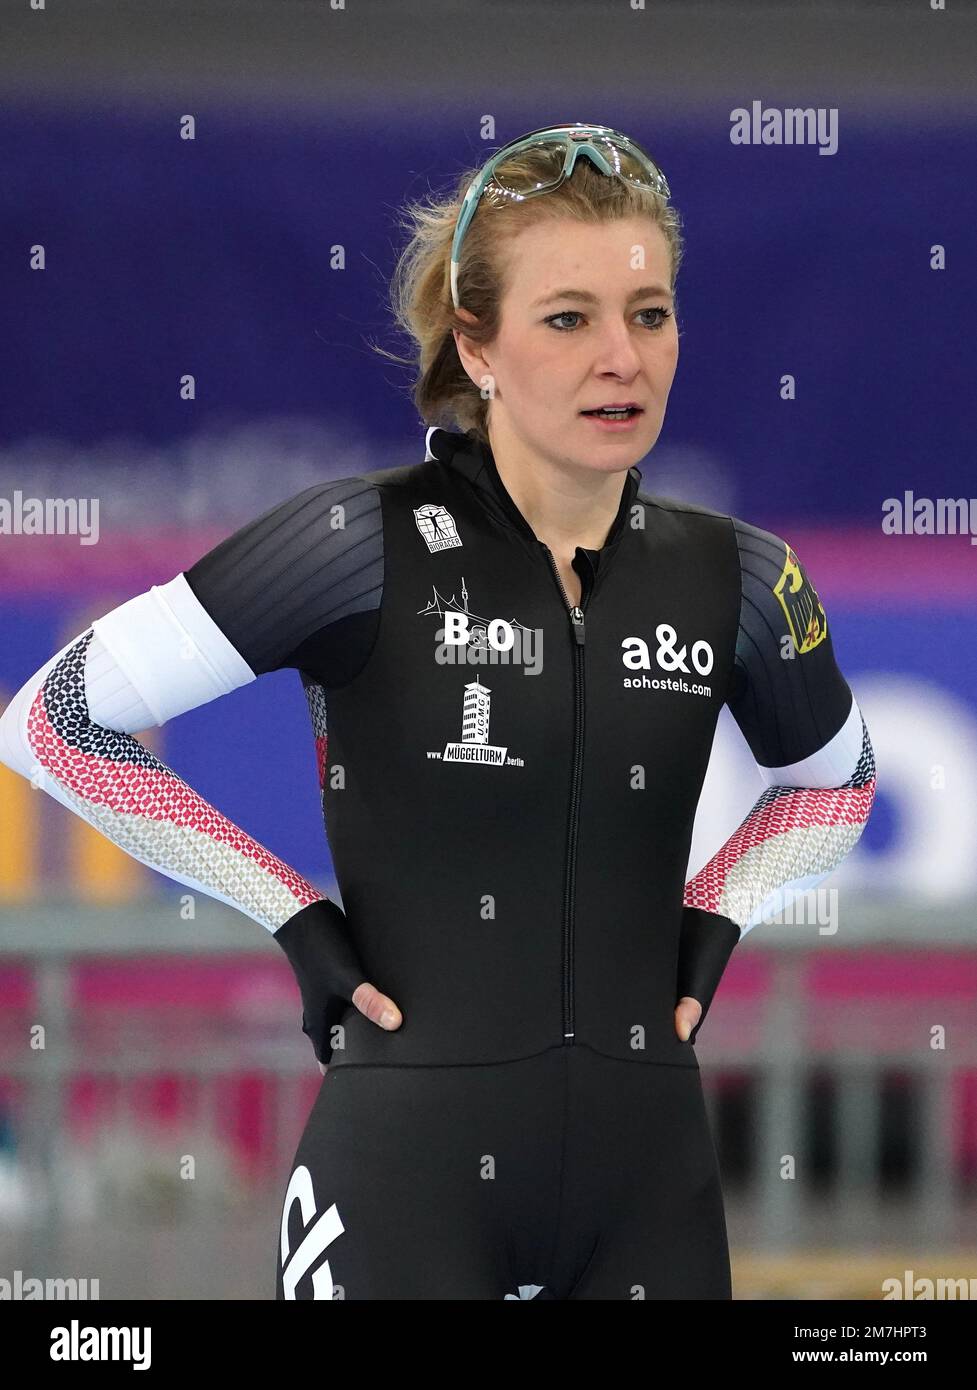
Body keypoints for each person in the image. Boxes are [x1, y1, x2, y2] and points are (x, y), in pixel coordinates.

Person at [0, 124, 876, 1300]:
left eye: (649, 313)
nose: (620, 357)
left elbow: (840, 779)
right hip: (405, 1179)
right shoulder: (351, 544)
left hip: (646, 1185)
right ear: (476, 344)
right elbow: (53, 722)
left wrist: (712, 914)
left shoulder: (738, 575)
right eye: (566, 318)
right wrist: (292, 915)